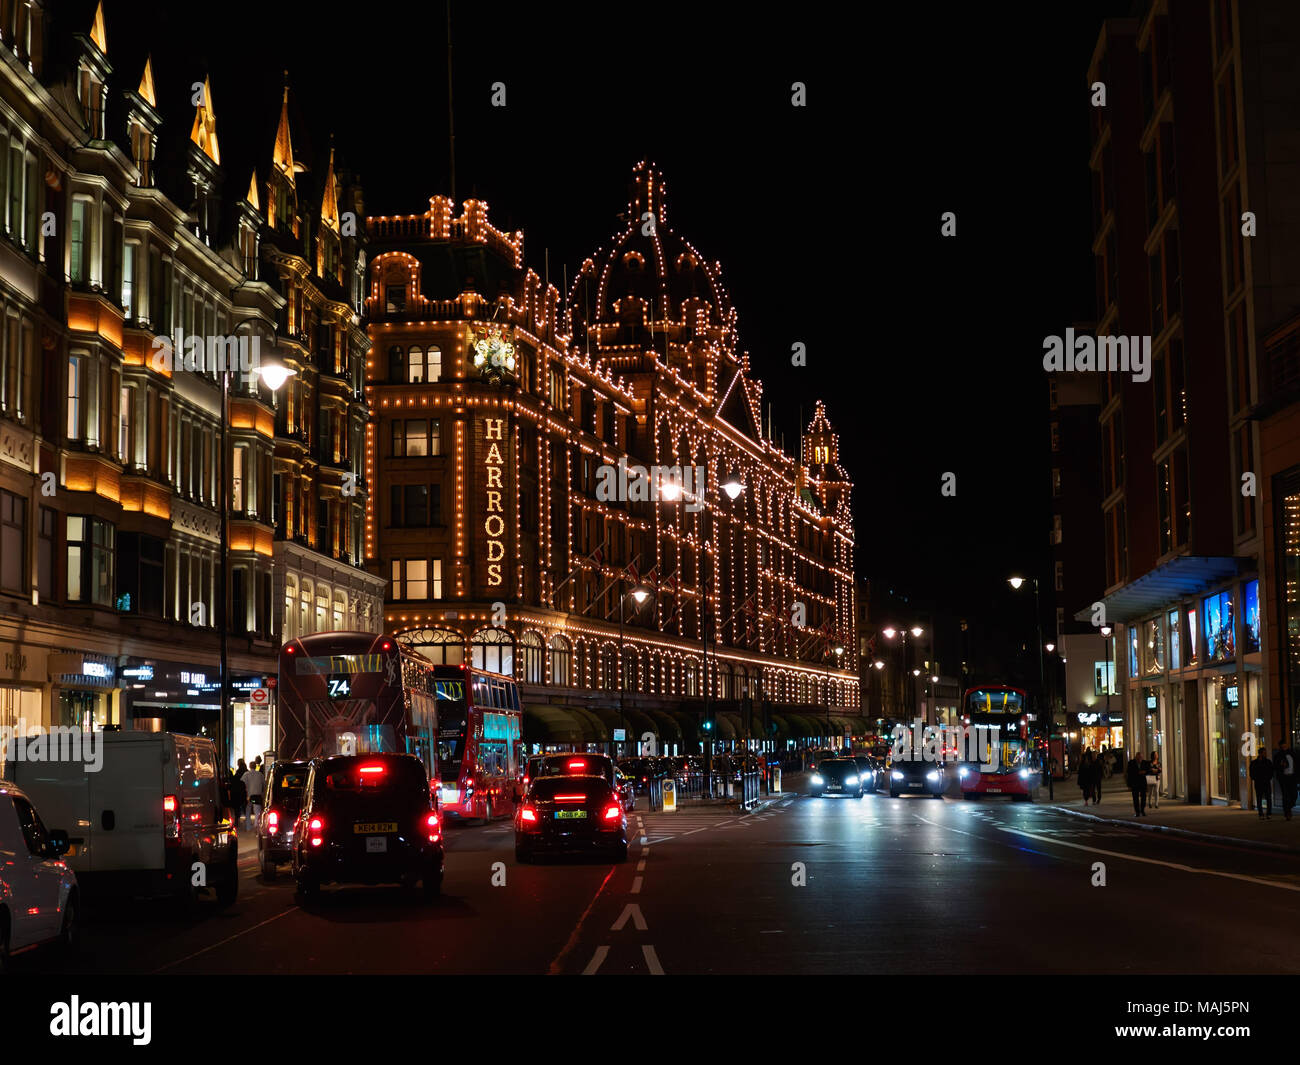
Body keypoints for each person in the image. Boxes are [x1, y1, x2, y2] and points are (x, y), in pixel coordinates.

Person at [1274, 740, 1296, 821]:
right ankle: (1287, 812)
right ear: (1280, 747)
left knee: (1294, 794)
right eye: (1282, 746)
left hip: (1292, 777)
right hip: (1284, 778)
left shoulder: (1292, 753)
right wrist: (1281, 765)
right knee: (1286, 795)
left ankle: (1288, 808)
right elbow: (1275, 767)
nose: (1284, 747)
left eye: (1285, 745)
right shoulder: (1278, 755)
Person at [1249, 749, 1274, 820]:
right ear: (1260, 754)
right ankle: (1261, 814)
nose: (1265, 754)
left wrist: (1268, 778)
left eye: (1265, 753)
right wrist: (1255, 778)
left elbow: (1271, 771)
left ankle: (1268, 813)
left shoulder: (1268, 762)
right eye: (1264, 753)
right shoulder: (1254, 763)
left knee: (1268, 798)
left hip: (1266, 782)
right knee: (1259, 798)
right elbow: (1251, 772)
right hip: (1259, 782)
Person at [243, 759, 265, 829]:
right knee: (257, 811)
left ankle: (248, 826)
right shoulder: (260, 774)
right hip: (257, 796)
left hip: (249, 796)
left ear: (249, 766)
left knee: (248, 810)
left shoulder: (246, 774)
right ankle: (256, 825)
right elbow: (264, 784)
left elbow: (242, 783)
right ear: (255, 766)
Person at [1125, 749, 1148, 816]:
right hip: (1134, 783)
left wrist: (1145, 772)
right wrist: (1129, 784)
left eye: (1140, 757)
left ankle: (1142, 810)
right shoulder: (1131, 763)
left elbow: (1148, 770)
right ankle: (1137, 811)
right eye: (1138, 758)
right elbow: (1128, 773)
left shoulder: (1144, 763)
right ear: (1135, 757)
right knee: (1135, 798)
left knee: (1143, 797)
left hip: (1143, 782)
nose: (1139, 759)